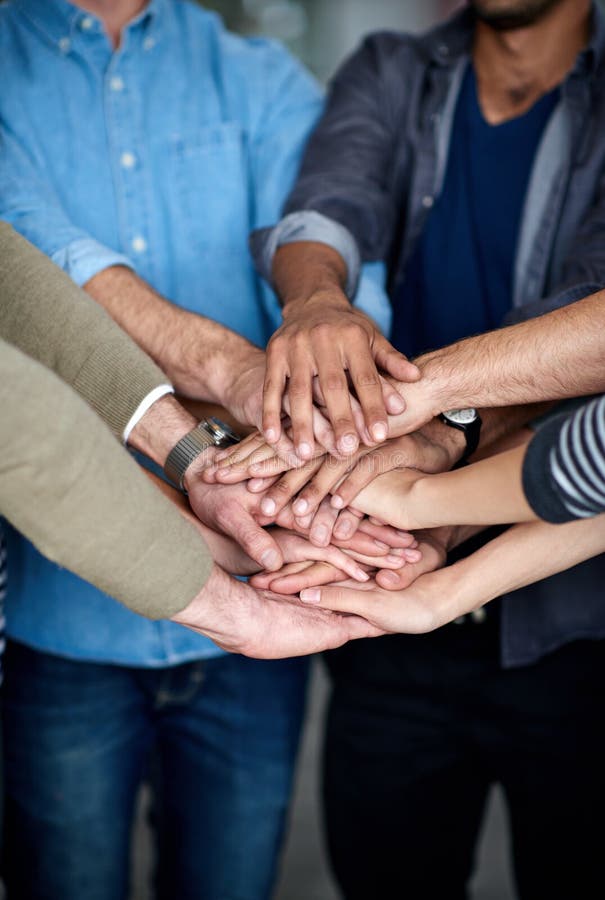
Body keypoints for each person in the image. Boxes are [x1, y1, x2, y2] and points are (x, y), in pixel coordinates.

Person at [0, 3, 410, 894]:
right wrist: (231, 377)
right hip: (63, 617)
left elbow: (332, 257)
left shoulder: (258, 76)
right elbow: (23, 271)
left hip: (258, 607)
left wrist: (323, 400)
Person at [231, 1, 605, 897]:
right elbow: (327, 206)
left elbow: (587, 317)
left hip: (575, 631)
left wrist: (439, 429)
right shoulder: (392, 68)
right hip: (383, 617)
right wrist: (317, 300)